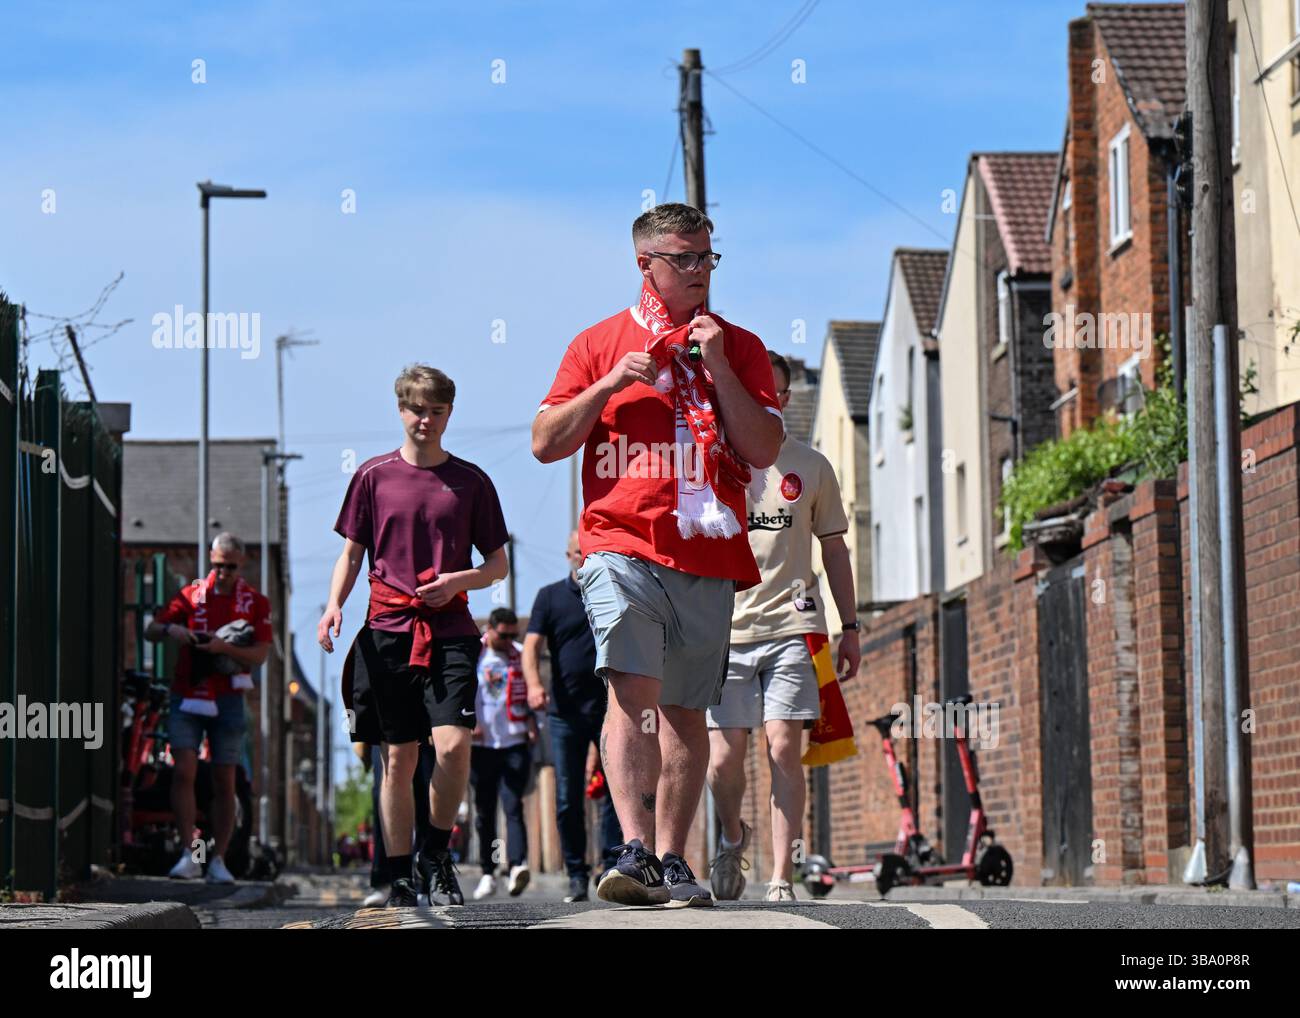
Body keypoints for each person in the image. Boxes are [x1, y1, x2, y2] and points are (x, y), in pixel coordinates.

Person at [532, 203, 783, 906]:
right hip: (619, 544)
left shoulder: (740, 344)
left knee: (682, 712)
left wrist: (722, 369)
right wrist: (611, 383)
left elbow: (763, 450)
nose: (702, 270)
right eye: (687, 258)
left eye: (709, 257)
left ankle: (673, 860)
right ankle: (634, 847)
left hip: (706, 552)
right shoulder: (597, 343)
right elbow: (545, 441)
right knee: (631, 687)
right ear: (646, 264)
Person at [319, 363, 510, 908]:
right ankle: (399, 874)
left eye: (435, 410)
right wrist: (334, 605)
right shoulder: (373, 477)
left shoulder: (471, 482)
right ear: (399, 410)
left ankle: (436, 851)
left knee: (453, 745)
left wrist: (459, 580)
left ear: (450, 413)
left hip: (449, 629)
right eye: (415, 409)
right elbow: (352, 553)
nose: (424, 420)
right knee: (397, 758)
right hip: (386, 630)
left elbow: (497, 564)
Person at [706, 351, 862, 901]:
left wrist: (852, 625)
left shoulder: (812, 465)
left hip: (795, 627)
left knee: (783, 747)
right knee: (723, 763)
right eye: (749, 389)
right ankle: (731, 836)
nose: (757, 398)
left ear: (785, 399)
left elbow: (836, 549)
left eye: (768, 392)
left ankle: (781, 877)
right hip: (725, 634)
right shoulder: (713, 461)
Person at [145, 532, 272, 884]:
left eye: (230, 566)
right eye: (218, 566)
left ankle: (217, 858)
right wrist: (174, 630)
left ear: (241, 564)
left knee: (224, 779)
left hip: (229, 696)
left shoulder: (256, 603)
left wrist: (222, 648)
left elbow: (260, 654)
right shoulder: (191, 595)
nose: (224, 573)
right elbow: (152, 629)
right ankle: (189, 854)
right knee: (183, 769)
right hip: (188, 692)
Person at [522, 531, 623, 903]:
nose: (584, 558)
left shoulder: (610, 589)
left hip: (609, 709)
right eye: (578, 553)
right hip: (563, 713)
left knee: (617, 790)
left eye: (591, 551)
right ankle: (576, 873)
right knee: (567, 796)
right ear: (568, 555)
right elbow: (531, 646)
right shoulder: (549, 598)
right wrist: (534, 684)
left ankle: (614, 865)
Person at [469, 607, 536, 900]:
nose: (509, 640)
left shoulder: (521, 654)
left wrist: (535, 720)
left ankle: (517, 866)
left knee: (512, 806)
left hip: (514, 740)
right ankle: (488, 870)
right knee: (484, 811)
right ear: (490, 628)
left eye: (513, 634)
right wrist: (468, 722)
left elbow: (535, 686)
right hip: (481, 745)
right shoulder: (475, 653)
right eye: (504, 634)